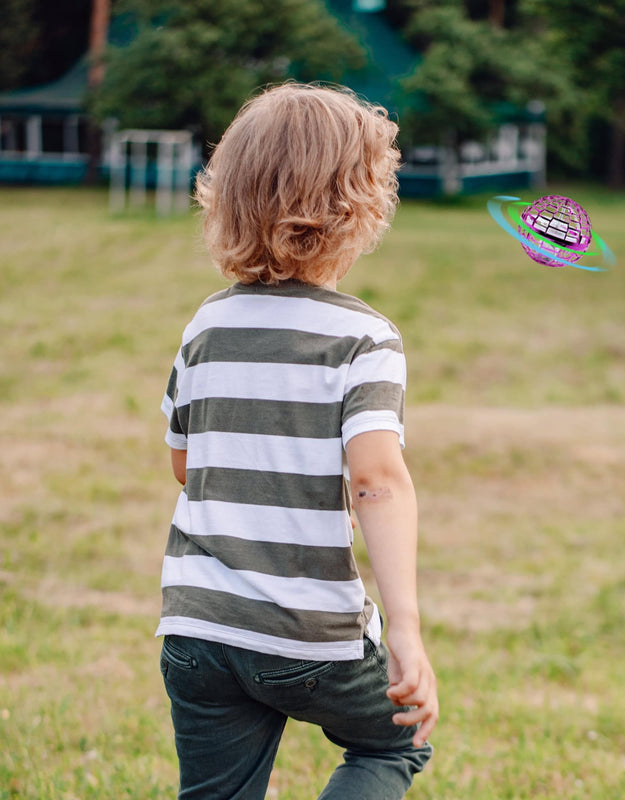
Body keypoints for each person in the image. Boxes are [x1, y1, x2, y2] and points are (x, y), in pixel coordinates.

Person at [157, 83, 437, 800]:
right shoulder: (364, 338)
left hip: (198, 628)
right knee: (393, 743)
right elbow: (377, 481)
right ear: (360, 207)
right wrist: (404, 629)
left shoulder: (205, 327)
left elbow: (185, 464)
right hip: (310, 634)